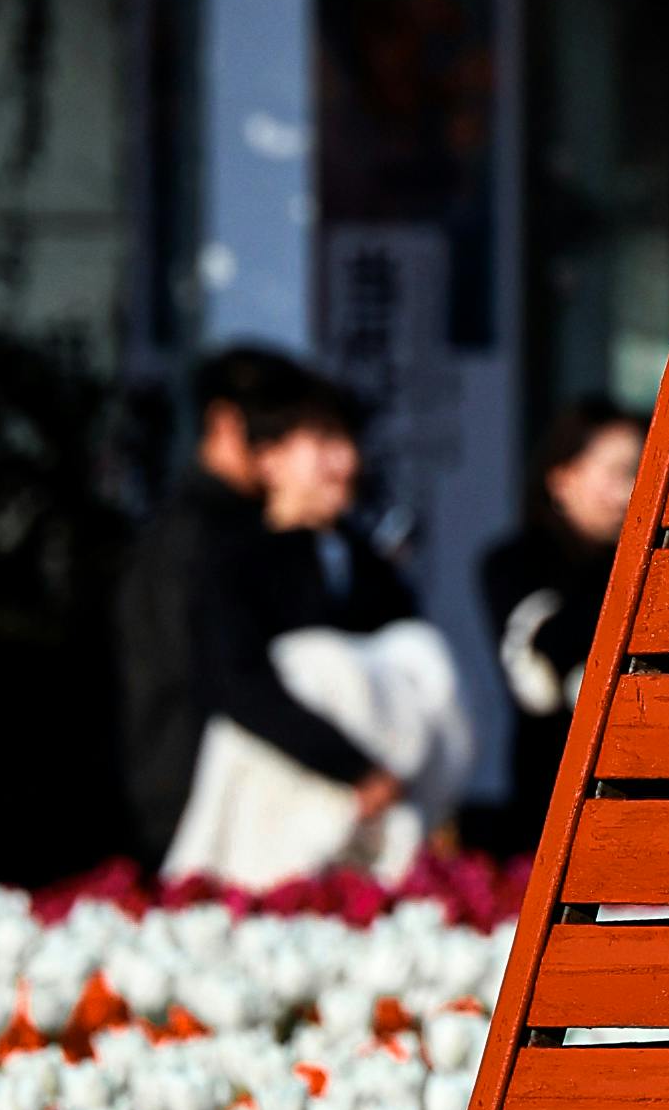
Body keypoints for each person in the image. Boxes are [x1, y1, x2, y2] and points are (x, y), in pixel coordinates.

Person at [169, 369, 473, 886]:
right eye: (325, 442)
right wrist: (353, 769)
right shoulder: (231, 559)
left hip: (378, 821)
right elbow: (236, 681)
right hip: (271, 815)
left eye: (348, 443)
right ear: (270, 458)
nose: (345, 464)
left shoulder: (367, 565)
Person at [116, 339, 301, 860]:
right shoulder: (201, 536)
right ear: (224, 422)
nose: (282, 453)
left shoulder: (213, 526)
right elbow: (219, 675)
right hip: (195, 800)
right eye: (275, 431)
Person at [473, 400, 647, 862]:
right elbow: (546, 650)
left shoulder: (650, 562)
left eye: (642, 471)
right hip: (549, 801)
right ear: (562, 477)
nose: (633, 490)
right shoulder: (512, 564)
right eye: (618, 471)